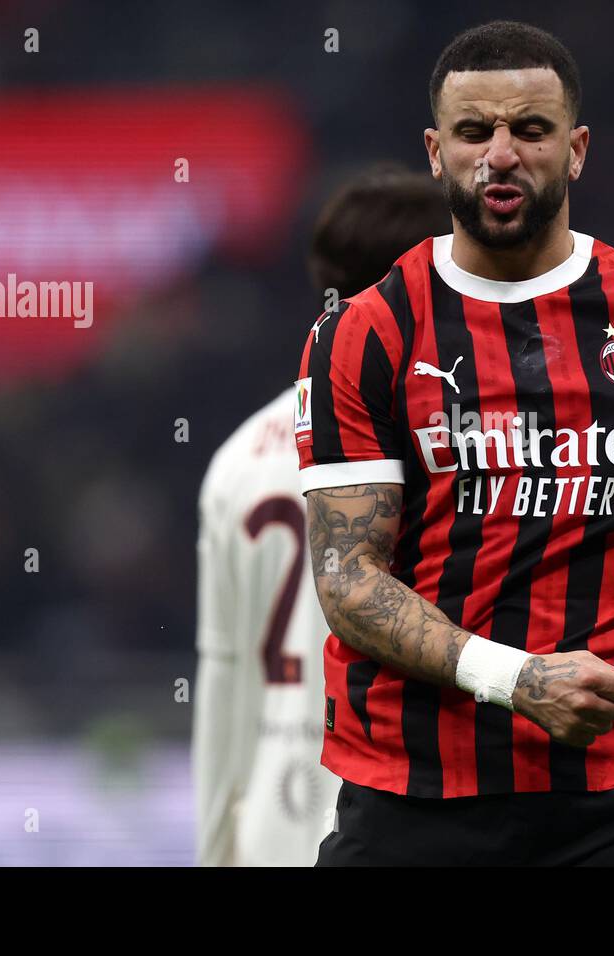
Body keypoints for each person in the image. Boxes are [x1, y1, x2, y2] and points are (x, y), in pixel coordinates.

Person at [296, 21, 614, 866]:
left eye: (530, 130)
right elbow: (348, 580)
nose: (500, 153)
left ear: (576, 150)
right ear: (435, 152)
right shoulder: (365, 333)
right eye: (474, 132)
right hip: (413, 798)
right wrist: (518, 681)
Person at [193, 164, 449, 865]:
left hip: (275, 811)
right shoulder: (447, 446)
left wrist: (216, 852)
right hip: (405, 803)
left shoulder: (238, 457)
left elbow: (224, 678)